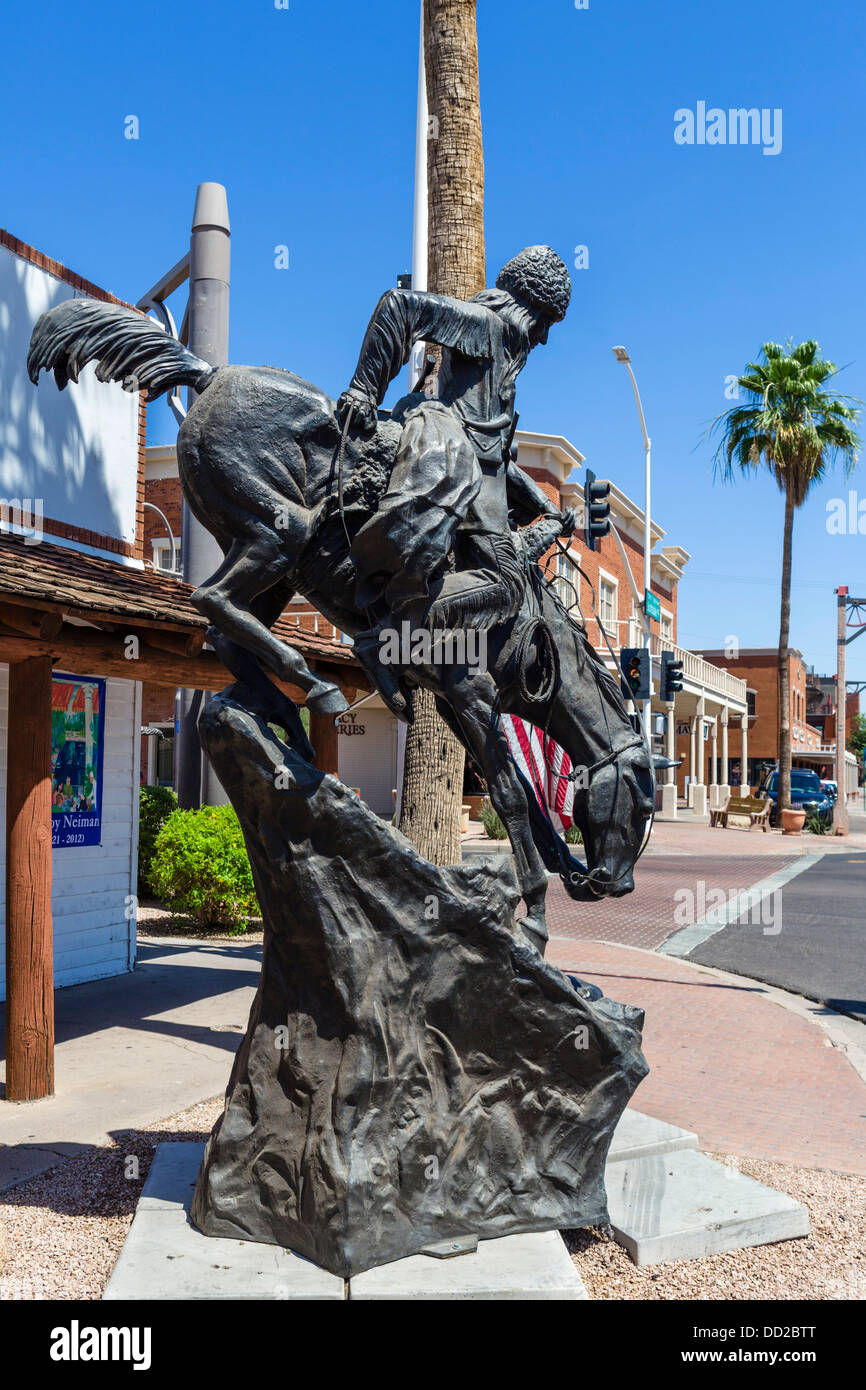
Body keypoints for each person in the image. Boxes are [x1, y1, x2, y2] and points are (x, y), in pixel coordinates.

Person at [336, 246, 575, 714]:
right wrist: (364, 391)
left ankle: (404, 646)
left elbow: (499, 462)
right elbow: (398, 306)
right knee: (505, 585)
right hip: (452, 468)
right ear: (525, 307)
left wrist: (545, 508)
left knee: (507, 585)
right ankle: (386, 641)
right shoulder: (484, 325)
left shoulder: (505, 356)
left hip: (481, 482)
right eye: (544, 322)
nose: (543, 339)